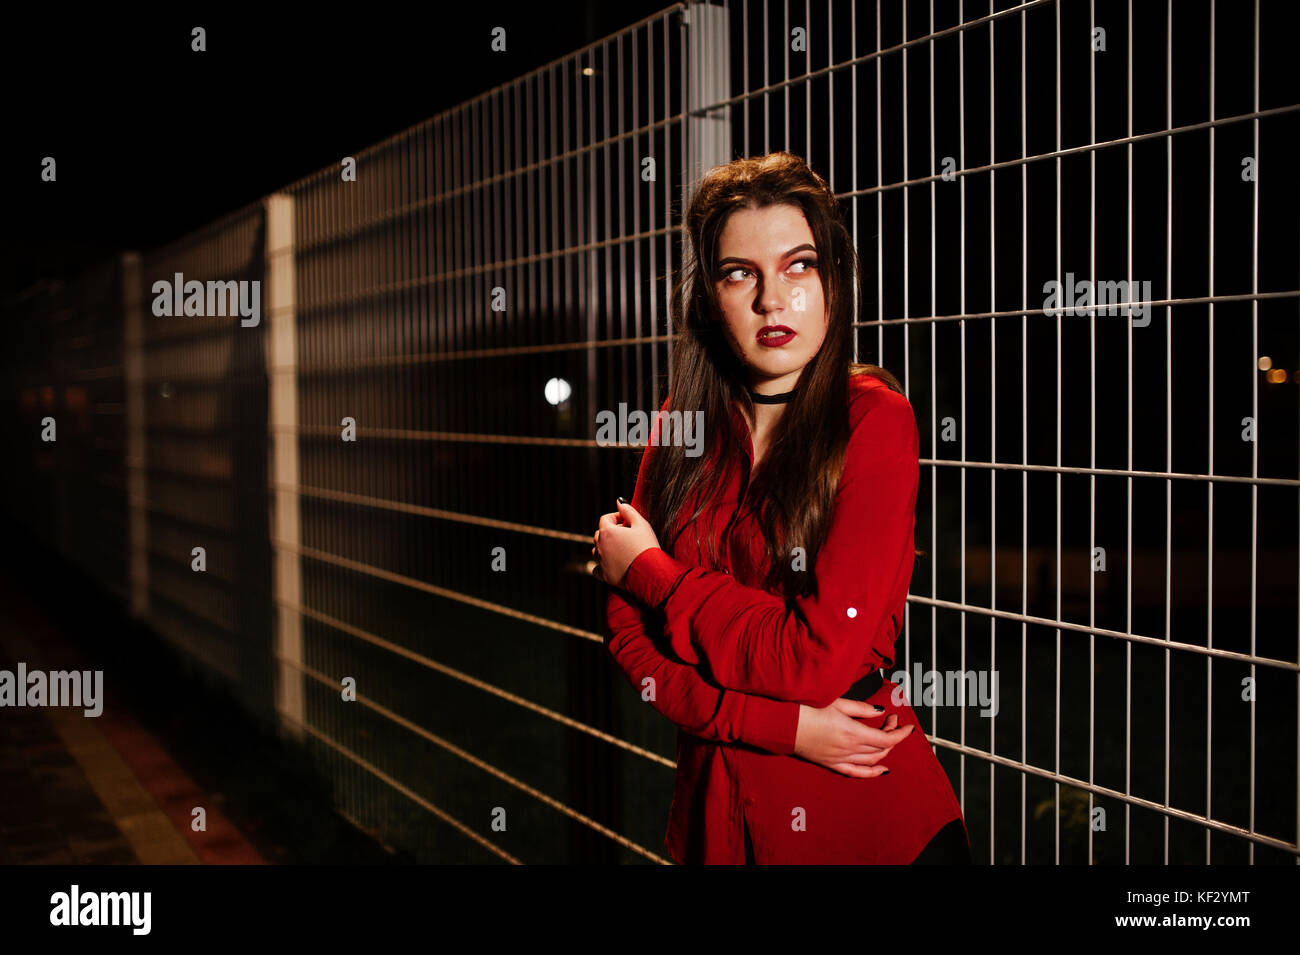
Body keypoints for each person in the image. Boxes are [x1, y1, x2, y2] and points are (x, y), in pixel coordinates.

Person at [592, 151, 970, 865]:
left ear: (833, 280)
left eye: (799, 266)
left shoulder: (875, 422)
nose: (774, 299)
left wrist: (656, 575)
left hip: (864, 824)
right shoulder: (680, 424)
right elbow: (629, 641)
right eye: (741, 273)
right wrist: (784, 725)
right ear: (708, 294)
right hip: (713, 823)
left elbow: (815, 661)